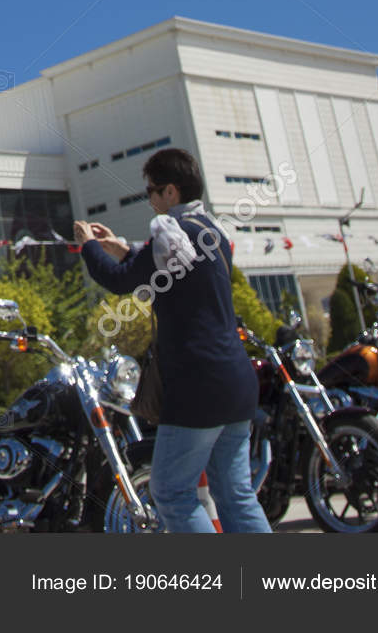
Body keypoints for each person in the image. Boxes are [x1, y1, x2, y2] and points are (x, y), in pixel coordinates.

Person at [74, 146, 269, 533]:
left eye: (151, 191)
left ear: (171, 192)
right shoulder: (214, 232)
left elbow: (120, 280)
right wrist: (125, 248)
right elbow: (173, 266)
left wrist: (89, 247)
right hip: (238, 380)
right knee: (236, 493)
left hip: (197, 385)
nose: (149, 200)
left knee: (172, 493)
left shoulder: (168, 231)